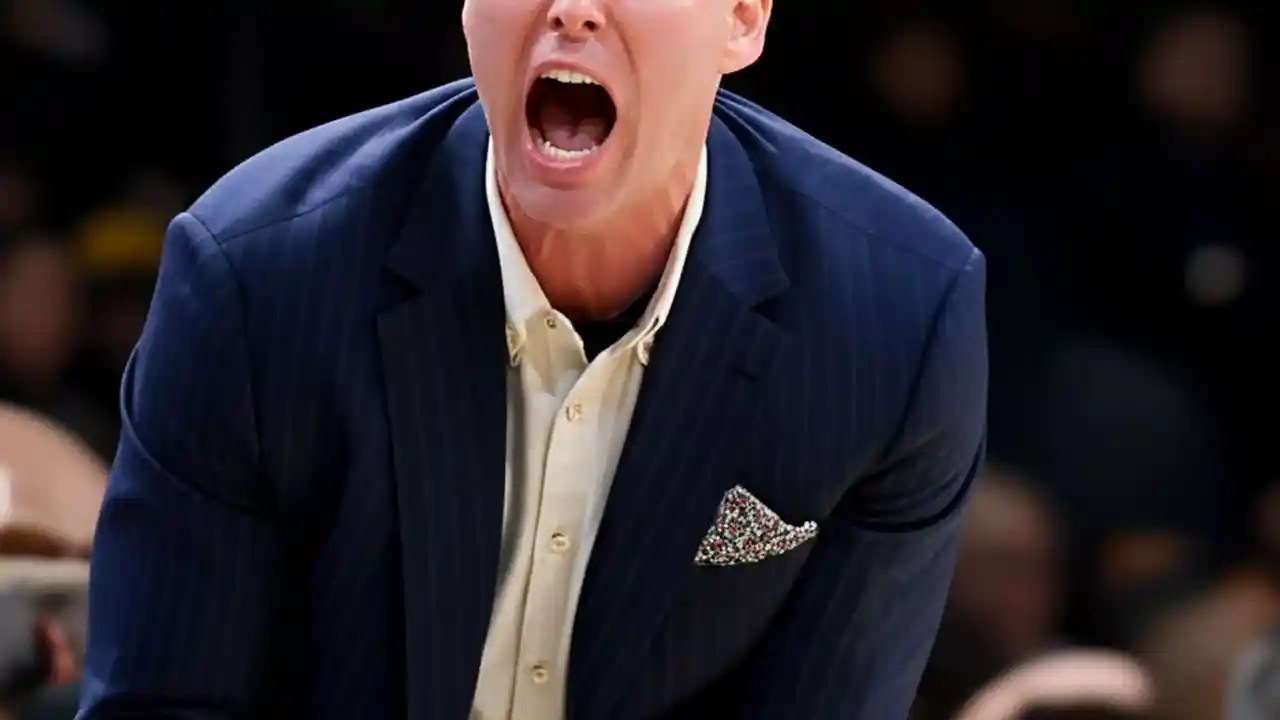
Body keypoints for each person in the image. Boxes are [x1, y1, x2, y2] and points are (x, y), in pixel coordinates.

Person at [78, 0, 988, 717]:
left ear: (743, 18)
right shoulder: (258, 274)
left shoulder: (897, 315)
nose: (574, 9)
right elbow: (166, 698)